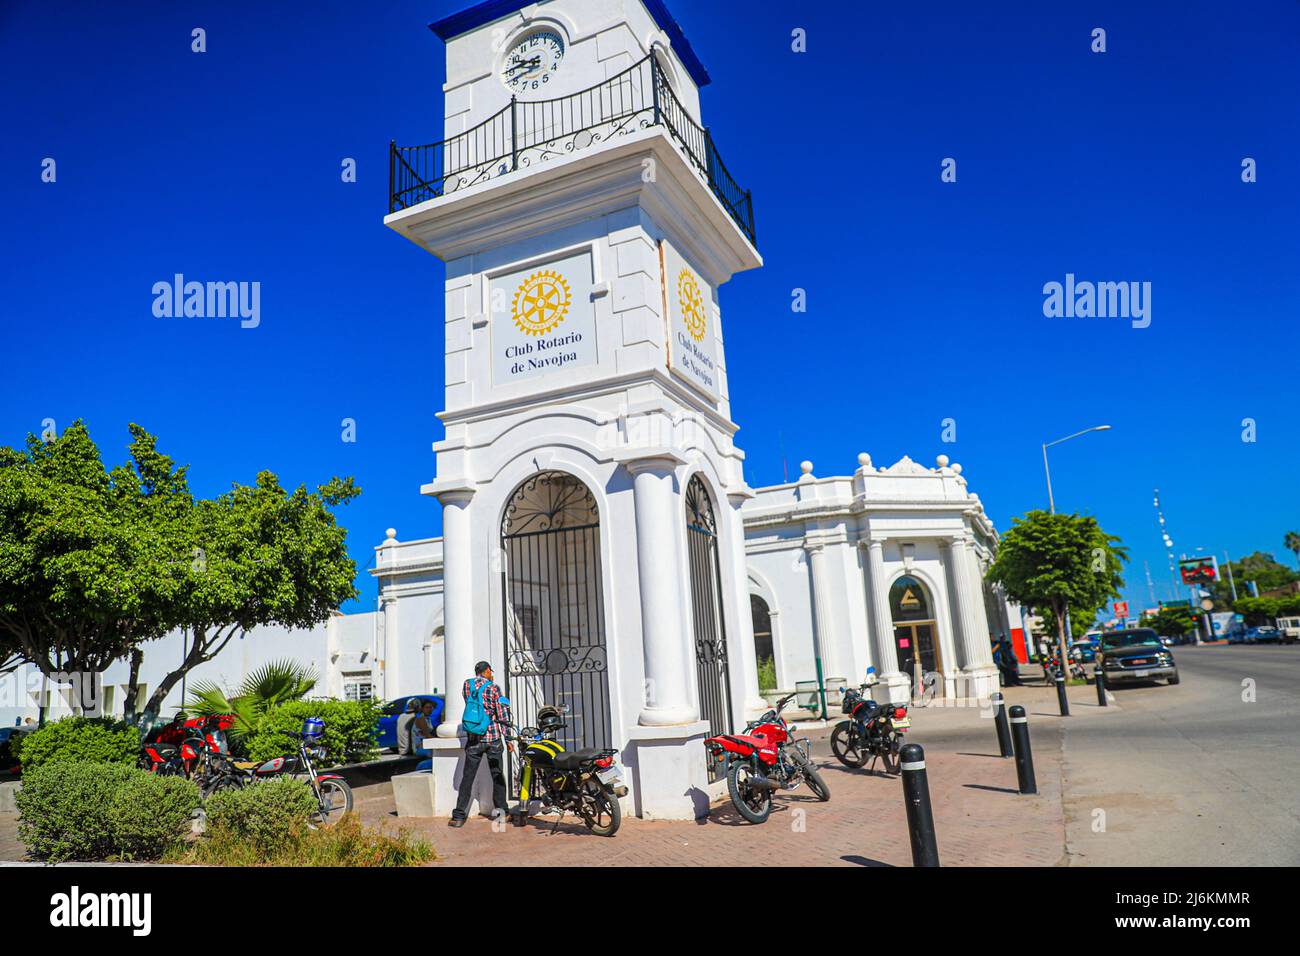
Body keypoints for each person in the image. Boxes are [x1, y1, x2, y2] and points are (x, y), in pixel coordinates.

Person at [448, 661, 512, 828]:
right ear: (487, 670)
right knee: (497, 776)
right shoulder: (493, 688)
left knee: (467, 777)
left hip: (474, 738)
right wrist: (509, 739)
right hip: (492, 738)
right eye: (491, 671)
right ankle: (502, 814)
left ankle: (458, 817)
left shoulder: (467, 685)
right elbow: (502, 715)